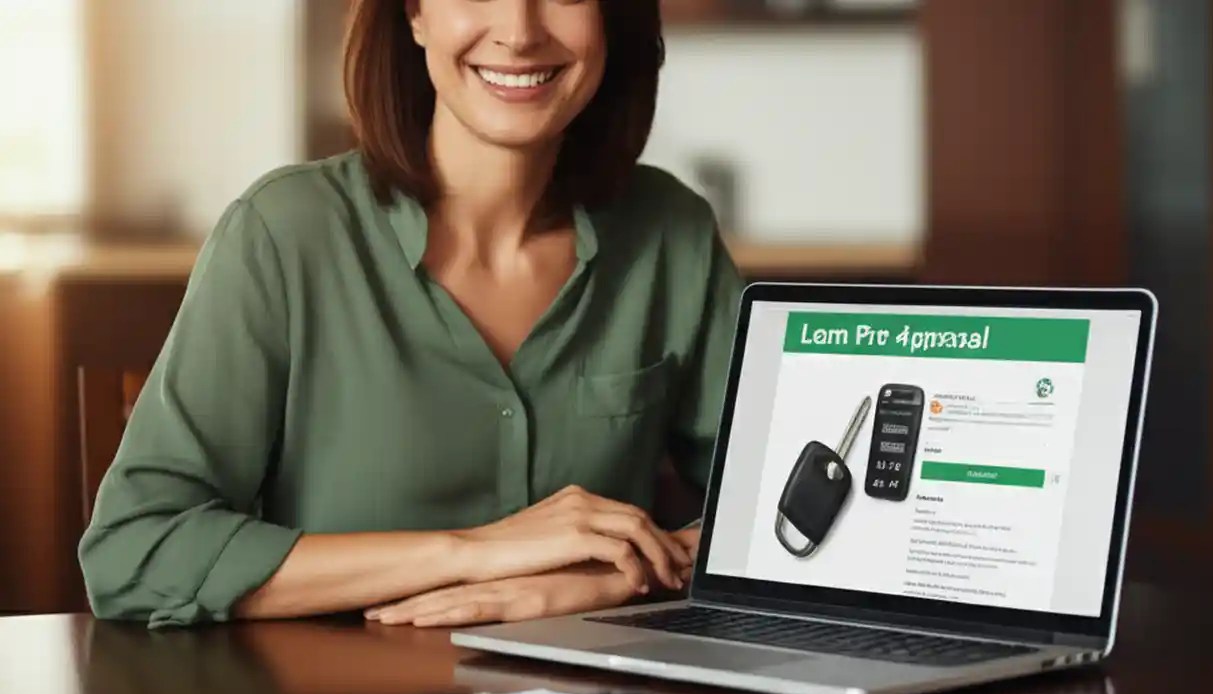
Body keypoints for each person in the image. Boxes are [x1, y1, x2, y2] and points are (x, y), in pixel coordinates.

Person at [77, 0, 744, 630]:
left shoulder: (671, 233)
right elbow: (135, 552)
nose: (519, 31)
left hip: (591, 691)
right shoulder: (284, 233)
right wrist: (475, 552)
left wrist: (617, 579)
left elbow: (780, 524)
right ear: (415, 14)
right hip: (334, 693)